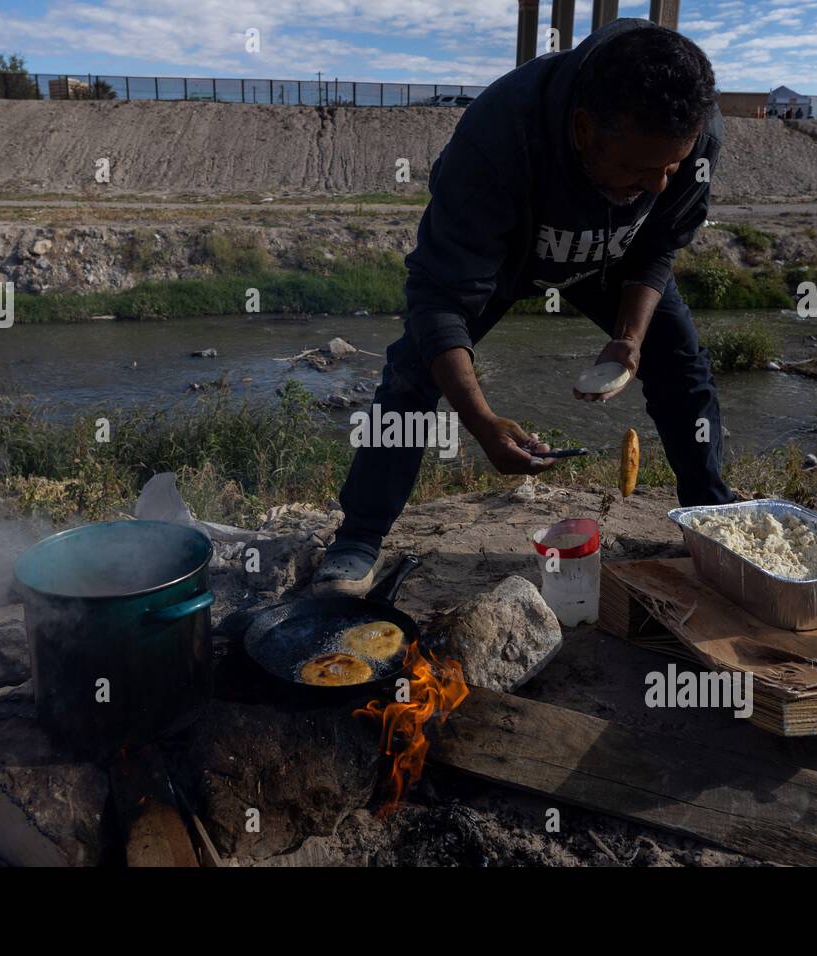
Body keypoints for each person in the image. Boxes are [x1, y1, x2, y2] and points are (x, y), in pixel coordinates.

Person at [313, 18, 733, 595]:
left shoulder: (695, 133)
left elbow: (660, 243)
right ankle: (358, 536)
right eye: (639, 169)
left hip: (615, 261)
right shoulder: (498, 136)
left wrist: (631, 339)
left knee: (681, 364)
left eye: (671, 168)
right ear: (585, 130)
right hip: (505, 260)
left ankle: (710, 519)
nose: (660, 185)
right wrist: (481, 422)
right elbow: (437, 300)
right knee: (412, 376)